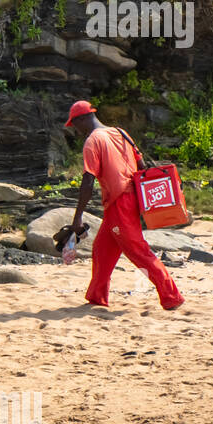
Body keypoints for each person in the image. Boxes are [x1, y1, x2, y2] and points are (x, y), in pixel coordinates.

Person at [65, 100, 184, 310]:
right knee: (101, 249)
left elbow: (87, 181)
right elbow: (142, 165)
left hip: (120, 202)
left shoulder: (93, 141)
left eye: (74, 125)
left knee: (138, 251)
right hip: (128, 201)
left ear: (82, 119)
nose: (75, 130)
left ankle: (171, 296)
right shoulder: (121, 133)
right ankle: (96, 297)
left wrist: (78, 217)